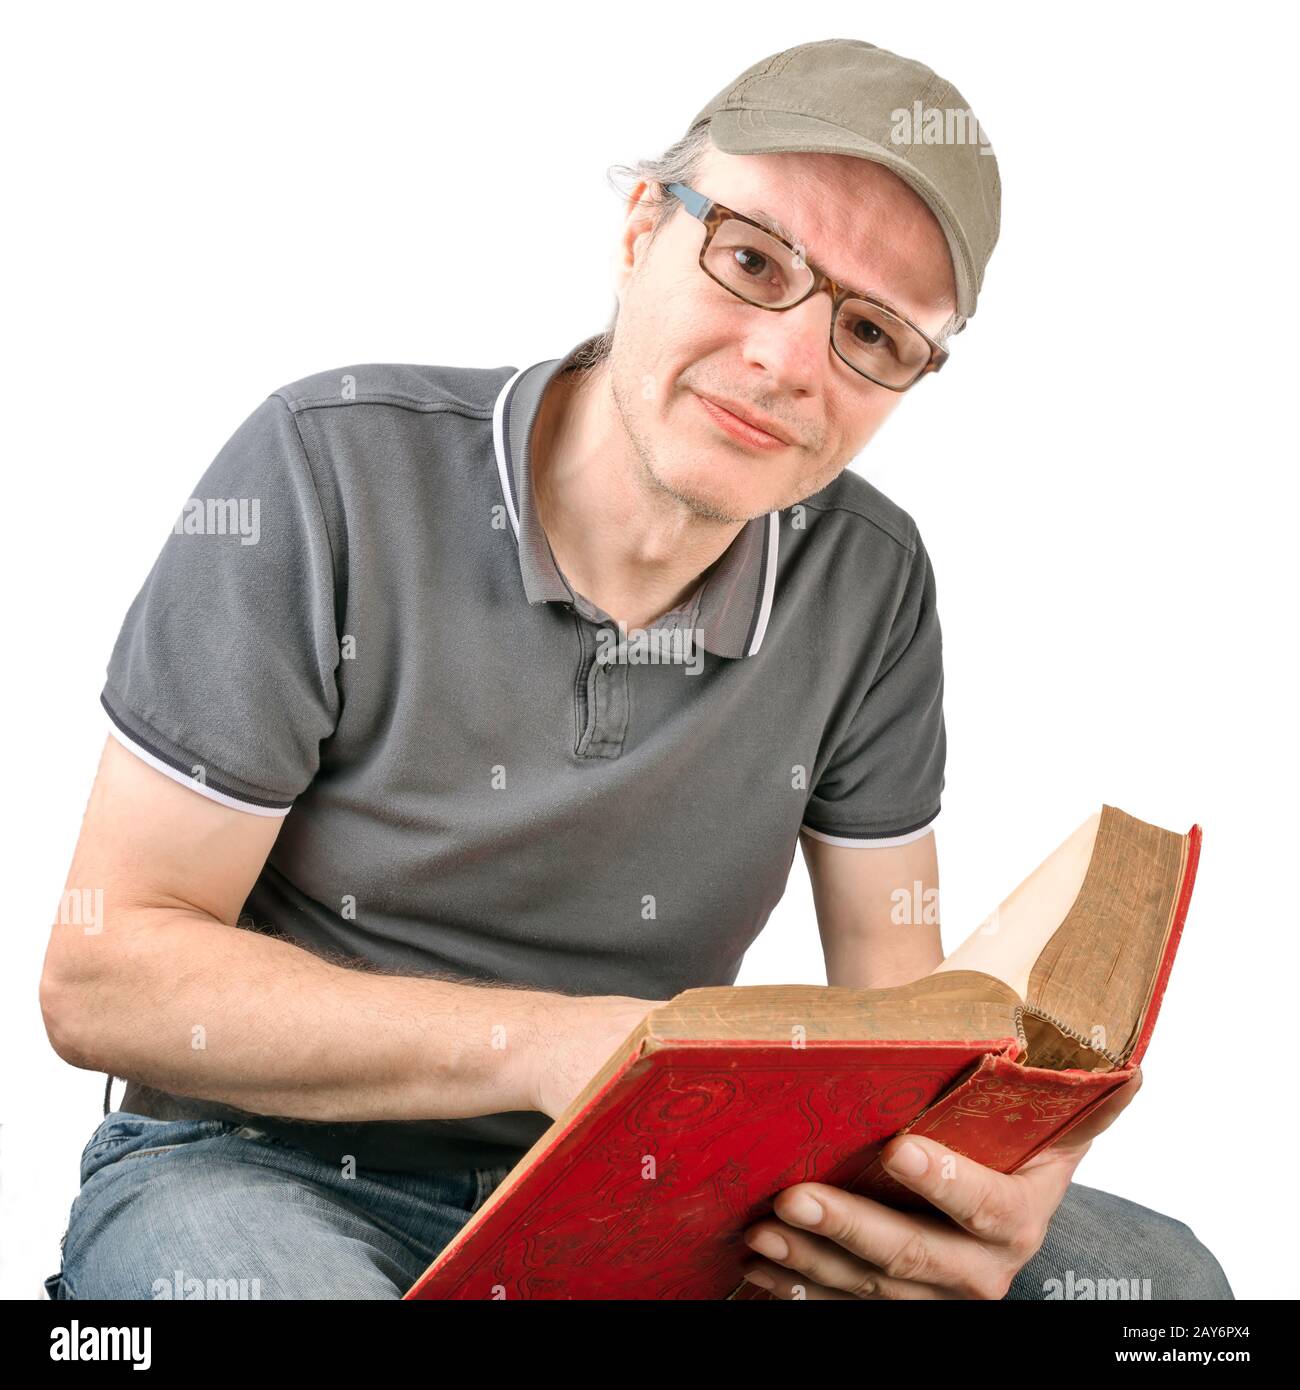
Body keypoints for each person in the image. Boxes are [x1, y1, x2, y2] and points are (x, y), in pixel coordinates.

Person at [38, 37, 1231, 1300]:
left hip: (665, 1183)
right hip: (249, 1163)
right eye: (754, 259)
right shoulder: (324, 470)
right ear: (640, 228)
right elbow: (104, 979)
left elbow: (899, 1015)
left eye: (871, 332)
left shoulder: (869, 581)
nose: (786, 361)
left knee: (1161, 1287)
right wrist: (566, 1047)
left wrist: (978, 1182)